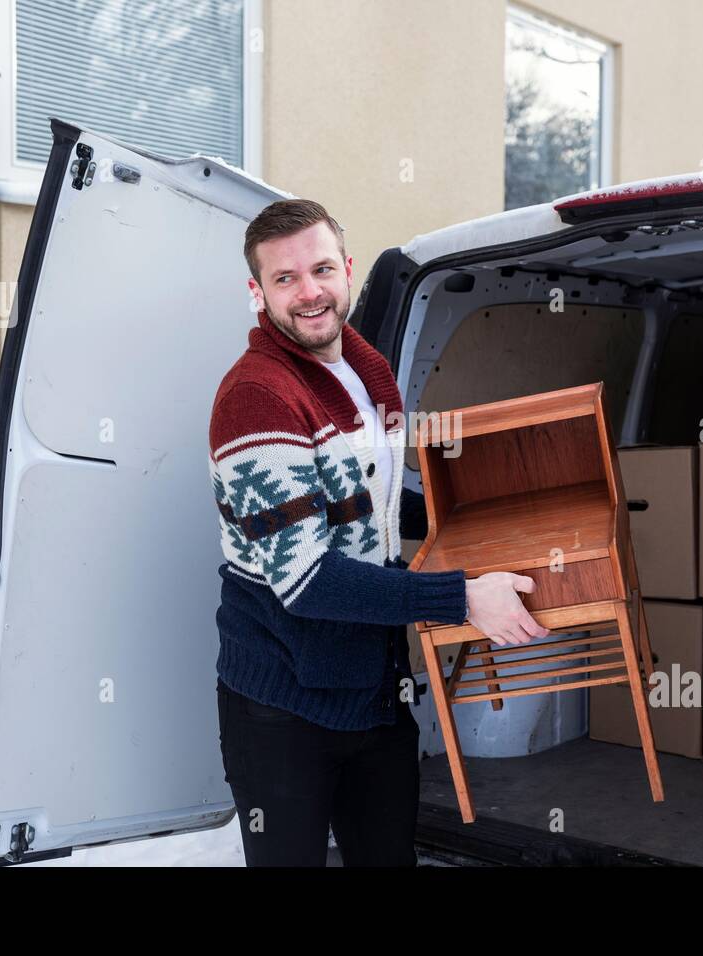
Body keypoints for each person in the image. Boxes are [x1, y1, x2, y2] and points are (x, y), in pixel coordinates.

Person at [208, 198, 550, 866]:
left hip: (375, 690)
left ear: (347, 269)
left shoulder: (368, 372)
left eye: (321, 269)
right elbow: (307, 581)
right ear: (257, 292)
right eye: (284, 279)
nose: (308, 292)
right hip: (281, 704)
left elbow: (374, 508)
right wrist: (461, 596)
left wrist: (480, 516)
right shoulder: (256, 398)